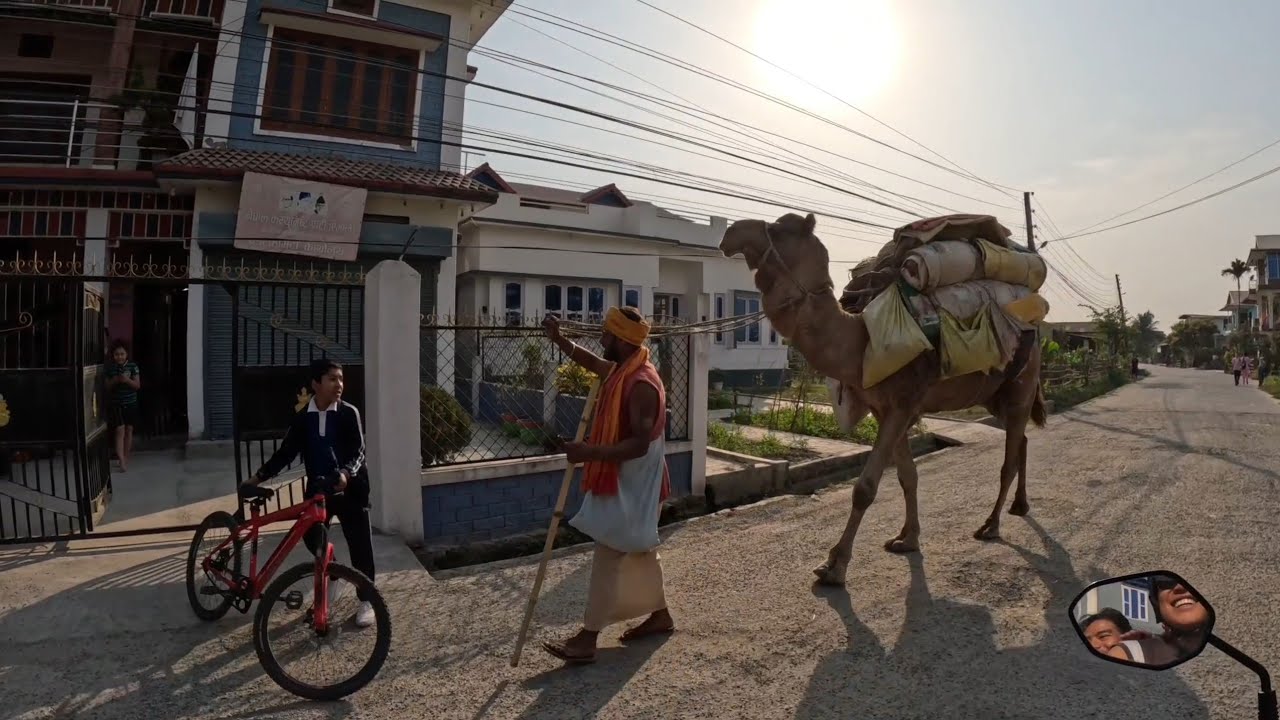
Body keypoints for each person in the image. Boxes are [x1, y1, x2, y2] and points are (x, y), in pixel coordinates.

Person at [539, 306, 675, 664]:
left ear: (621, 340)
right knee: (640, 551)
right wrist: (560, 341)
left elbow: (639, 444)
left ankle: (587, 638)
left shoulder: (642, 383)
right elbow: (594, 364)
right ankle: (660, 615)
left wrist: (588, 453)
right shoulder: (622, 370)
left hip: (638, 483)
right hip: (627, 480)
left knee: (609, 552)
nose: (601, 339)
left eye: (606, 335)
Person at [240, 358, 377, 629]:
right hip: (318, 492)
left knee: (360, 546)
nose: (339, 384)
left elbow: (359, 451)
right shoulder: (304, 418)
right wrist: (257, 478)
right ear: (316, 384)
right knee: (314, 540)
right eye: (332, 379)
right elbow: (286, 453)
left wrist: (345, 475)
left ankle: (366, 601)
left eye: (341, 379)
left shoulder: (349, 412)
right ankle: (334, 576)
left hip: (350, 489)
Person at [1106, 576, 1211, 667]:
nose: (1181, 587)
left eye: (1193, 579)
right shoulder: (1127, 654)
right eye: (1165, 581)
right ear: (1157, 604)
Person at [105, 341, 141, 472]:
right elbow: (107, 387)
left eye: (122, 354)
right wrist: (116, 380)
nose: (119, 357)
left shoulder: (132, 366)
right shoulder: (110, 368)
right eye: (116, 354)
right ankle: (121, 459)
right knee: (119, 430)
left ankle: (126, 457)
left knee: (129, 430)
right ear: (113, 355)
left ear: (126, 354)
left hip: (131, 403)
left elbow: (137, 385)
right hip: (116, 404)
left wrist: (127, 380)